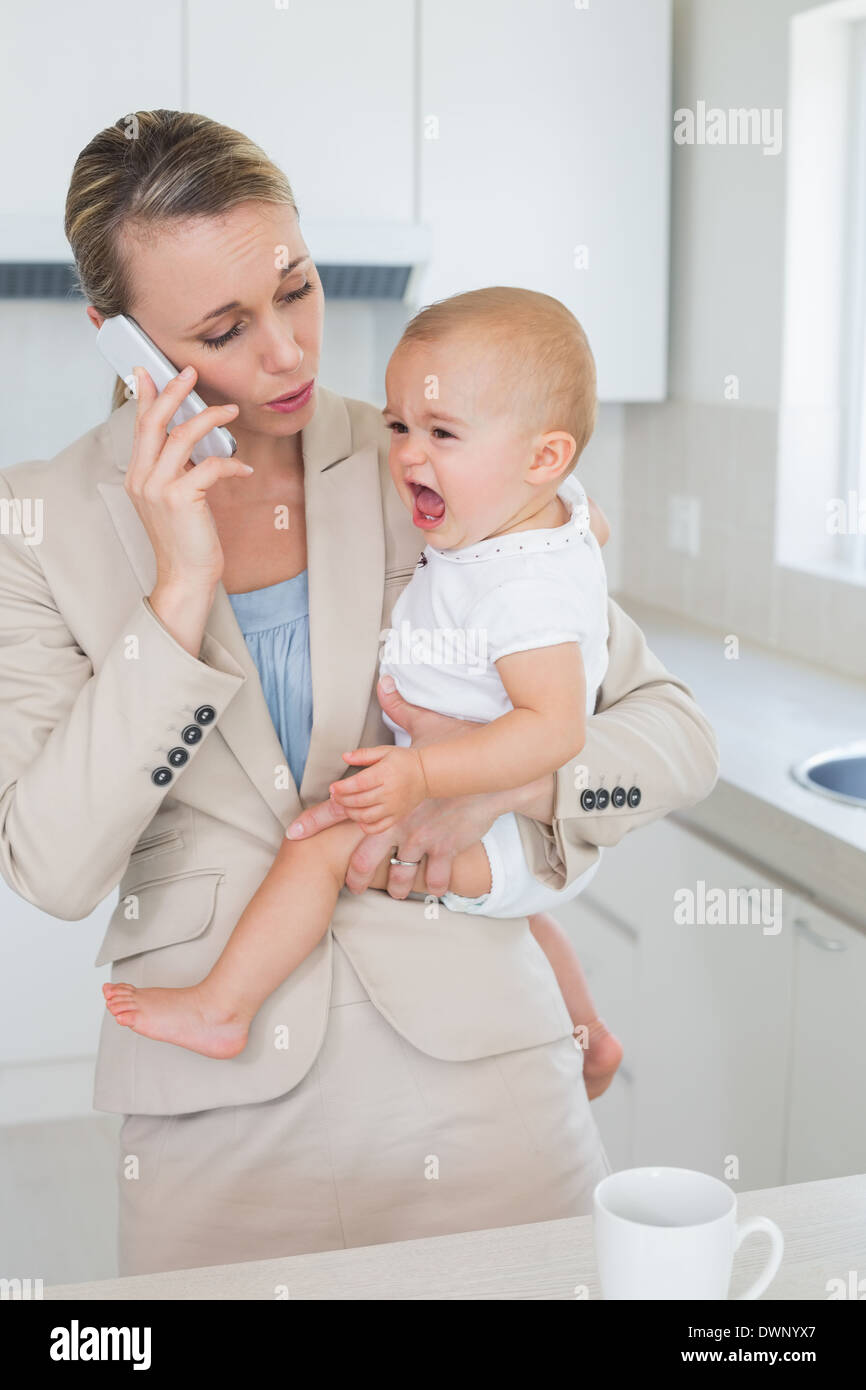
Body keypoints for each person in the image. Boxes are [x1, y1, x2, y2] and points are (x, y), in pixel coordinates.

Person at [0, 111, 719, 1276]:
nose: (288, 352)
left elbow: (673, 736)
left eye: (296, 287)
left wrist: (492, 780)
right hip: (211, 1111)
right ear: (117, 342)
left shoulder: (427, 456)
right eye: (226, 329)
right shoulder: (34, 528)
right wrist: (179, 586)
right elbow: (54, 864)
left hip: (484, 1085)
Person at [102, 286, 625, 1099]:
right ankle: (593, 1038)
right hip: (508, 837)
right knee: (525, 912)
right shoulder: (539, 515)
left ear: (543, 458)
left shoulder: (524, 589)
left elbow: (556, 728)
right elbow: (590, 532)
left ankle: (223, 1007)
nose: (409, 456)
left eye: (443, 433)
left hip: (499, 820)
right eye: (398, 427)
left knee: (318, 843)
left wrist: (422, 777)